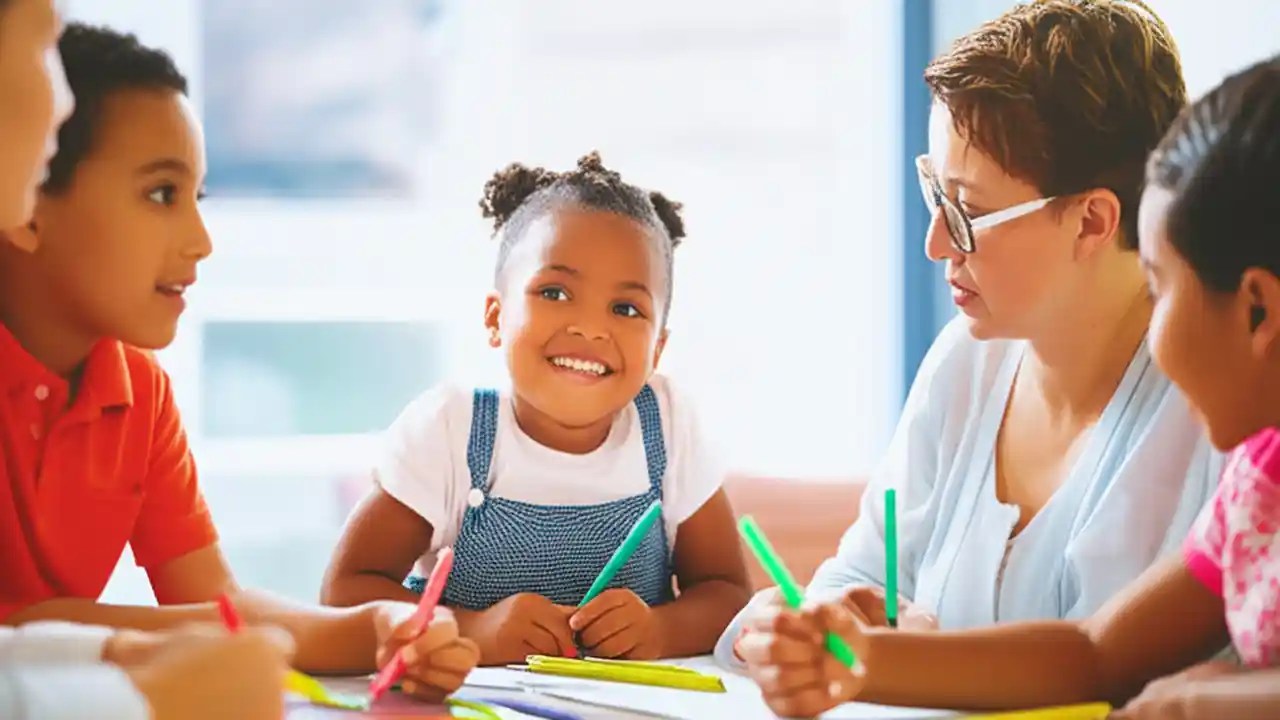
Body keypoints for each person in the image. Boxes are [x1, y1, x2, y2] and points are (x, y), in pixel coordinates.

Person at [738, 53, 1280, 720]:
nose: (937, 244)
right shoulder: (1260, 483)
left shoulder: (1214, 443)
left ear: (1258, 311)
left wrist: (1211, 701)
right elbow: (1093, 652)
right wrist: (859, 659)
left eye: (1161, 287)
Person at [0, 22, 478, 703]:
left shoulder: (138, 392)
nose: (200, 242)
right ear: (24, 201)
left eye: (198, 199)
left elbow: (217, 607)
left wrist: (379, 626)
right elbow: (17, 628)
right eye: (161, 194)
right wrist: (170, 641)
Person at [323, 153, 752, 665]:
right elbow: (346, 593)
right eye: (555, 292)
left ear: (657, 348)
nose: (591, 328)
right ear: (495, 317)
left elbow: (727, 592)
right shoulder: (451, 432)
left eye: (626, 308)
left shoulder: (668, 427)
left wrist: (663, 629)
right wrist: (473, 631)